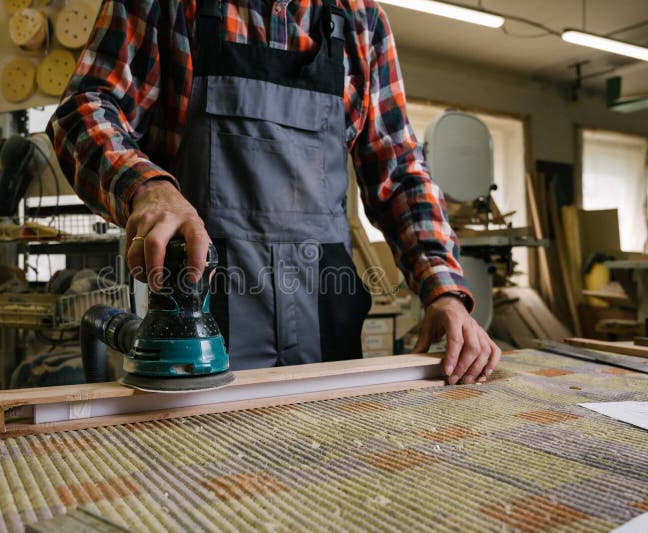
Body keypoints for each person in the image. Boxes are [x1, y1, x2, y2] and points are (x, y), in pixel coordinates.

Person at [48, 0, 501, 385]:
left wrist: (443, 292)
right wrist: (147, 187)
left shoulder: (361, 21)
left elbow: (399, 173)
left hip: (327, 338)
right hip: (198, 338)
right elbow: (82, 112)